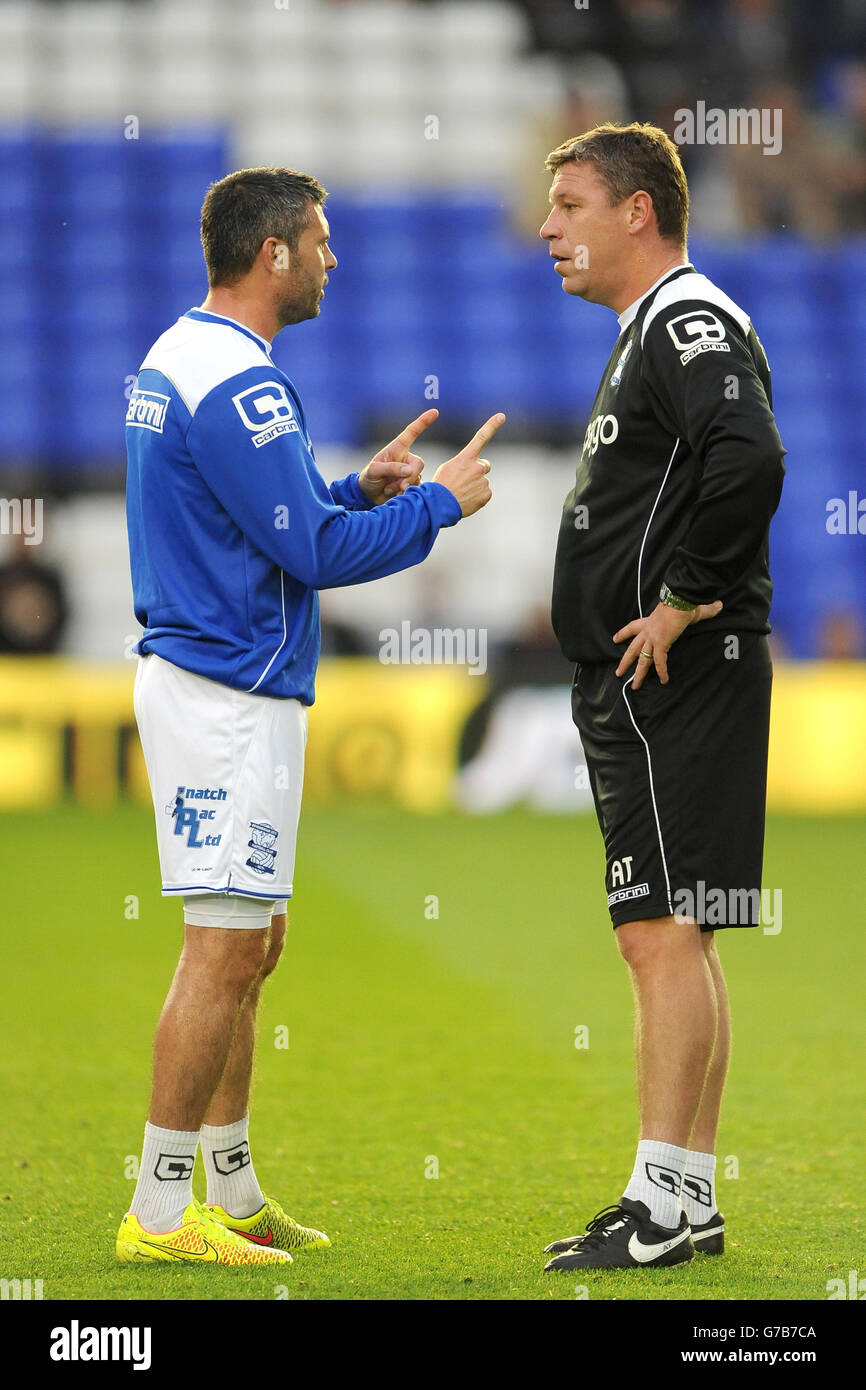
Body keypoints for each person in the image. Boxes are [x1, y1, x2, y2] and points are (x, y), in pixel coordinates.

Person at [120, 166, 504, 1265]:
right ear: (273, 253)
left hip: (227, 685)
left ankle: (230, 1186)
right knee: (218, 950)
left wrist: (351, 488)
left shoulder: (181, 357)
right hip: (226, 696)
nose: (334, 258)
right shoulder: (243, 383)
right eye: (321, 240)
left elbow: (265, 519)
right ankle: (156, 1212)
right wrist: (437, 507)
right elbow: (311, 558)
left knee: (252, 945)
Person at [538, 123, 785, 1271]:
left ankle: (664, 1200)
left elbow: (749, 455)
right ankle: (681, 1193)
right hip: (669, 678)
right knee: (681, 930)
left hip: (675, 673)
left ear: (638, 212)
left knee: (655, 931)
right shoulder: (659, 327)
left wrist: (684, 598)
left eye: (571, 203)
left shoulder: (685, 321)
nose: (549, 227)